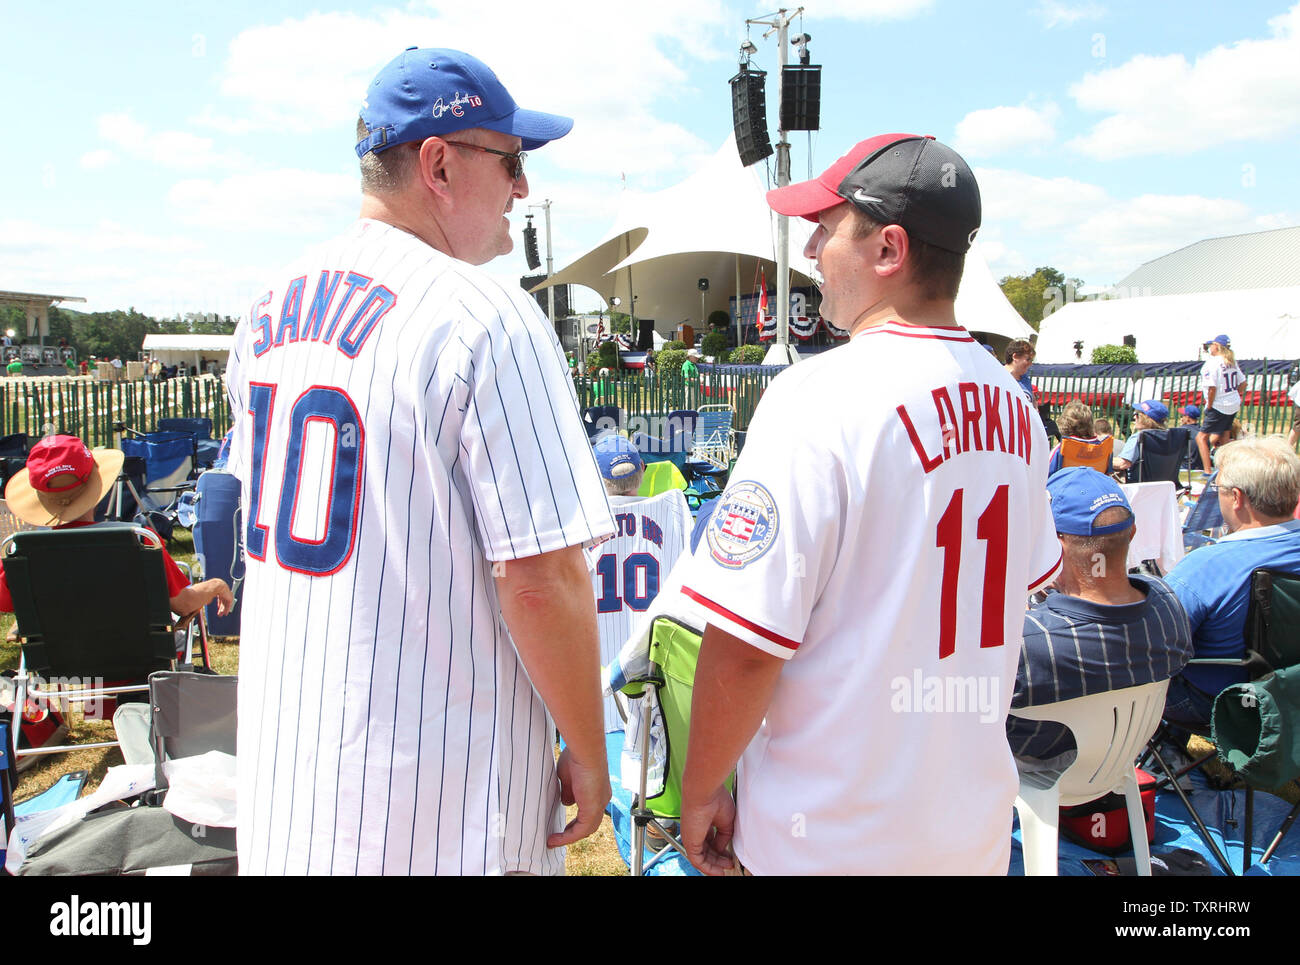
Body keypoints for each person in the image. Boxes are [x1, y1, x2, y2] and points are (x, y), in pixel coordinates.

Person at [226, 47, 615, 876]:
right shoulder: (482, 313)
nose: (521, 187)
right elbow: (542, 575)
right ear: (438, 164)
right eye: (509, 161)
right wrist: (588, 743)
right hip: (435, 816)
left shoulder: (265, 305)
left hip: (283, 798)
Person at [677, 133, 1061, 875]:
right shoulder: (1015, 406)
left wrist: (698, 792)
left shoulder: (818, 396)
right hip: (968, 834)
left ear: (889, 249)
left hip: (823, 841)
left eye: (828, 226)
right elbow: (1028, 583)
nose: (813, 247)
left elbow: (748, 645)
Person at [1008, 468, 1192, 771]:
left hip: (1030, 768)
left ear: (1056, 544)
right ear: (1132, 533)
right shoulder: (1167, 606)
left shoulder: (1025, 643)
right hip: (1118, 762)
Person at [0, 435, 233, 621]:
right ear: (97, 482)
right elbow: (184, 604)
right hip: (141, 661)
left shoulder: (20, 551)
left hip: (58, 665)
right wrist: (217, 584)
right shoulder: (140, 541)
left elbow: (7, 604)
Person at [1163, 437, 1300, 730]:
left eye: (1218, 489)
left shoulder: (1206, 566)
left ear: (1237, 498)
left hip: (1222, 704)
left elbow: (1150, 641)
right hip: (1291, 695)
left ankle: (1175, 762)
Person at [586, 435, 691, 731]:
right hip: (655, 667)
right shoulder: (673, 510)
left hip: (600, 673)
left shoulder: (580, 524)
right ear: (643, 469)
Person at [1196, 334, 1243, 473]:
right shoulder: (1231, 361)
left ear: (1216, 346)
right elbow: (1243, 383)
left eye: (1211, 345)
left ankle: (1207, 471)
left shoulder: (1212, 363)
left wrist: (1209, 405)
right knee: (1224, 435)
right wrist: (1233, 394)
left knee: (1201, 437)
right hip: (1233, 403)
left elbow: (1211, 387)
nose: (1210, 347)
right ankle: (1224, 468)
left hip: (1218, 404)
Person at [1046, 400, 1111, 476]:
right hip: (1095, 486)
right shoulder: (1104, 448)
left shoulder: (1061, 449)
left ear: (1064, 424)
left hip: (1067, 486)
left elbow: (1045, 475)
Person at [1112, 399, 1168, 474]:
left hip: (1140, 483)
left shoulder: (1139, 437)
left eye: (1137, 414)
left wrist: (1101, 460)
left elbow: (1123, 464)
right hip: (1167, 482)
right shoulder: (1170, 436)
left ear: (1145, 418)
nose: (1134, 417)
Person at [1004, 339, 1036, 405]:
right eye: (1028, 359)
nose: (1030, 364)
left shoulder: (1025, 379)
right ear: (1015, 356)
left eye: (1031, 360)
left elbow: (1033, 403)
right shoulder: (1000, 377)